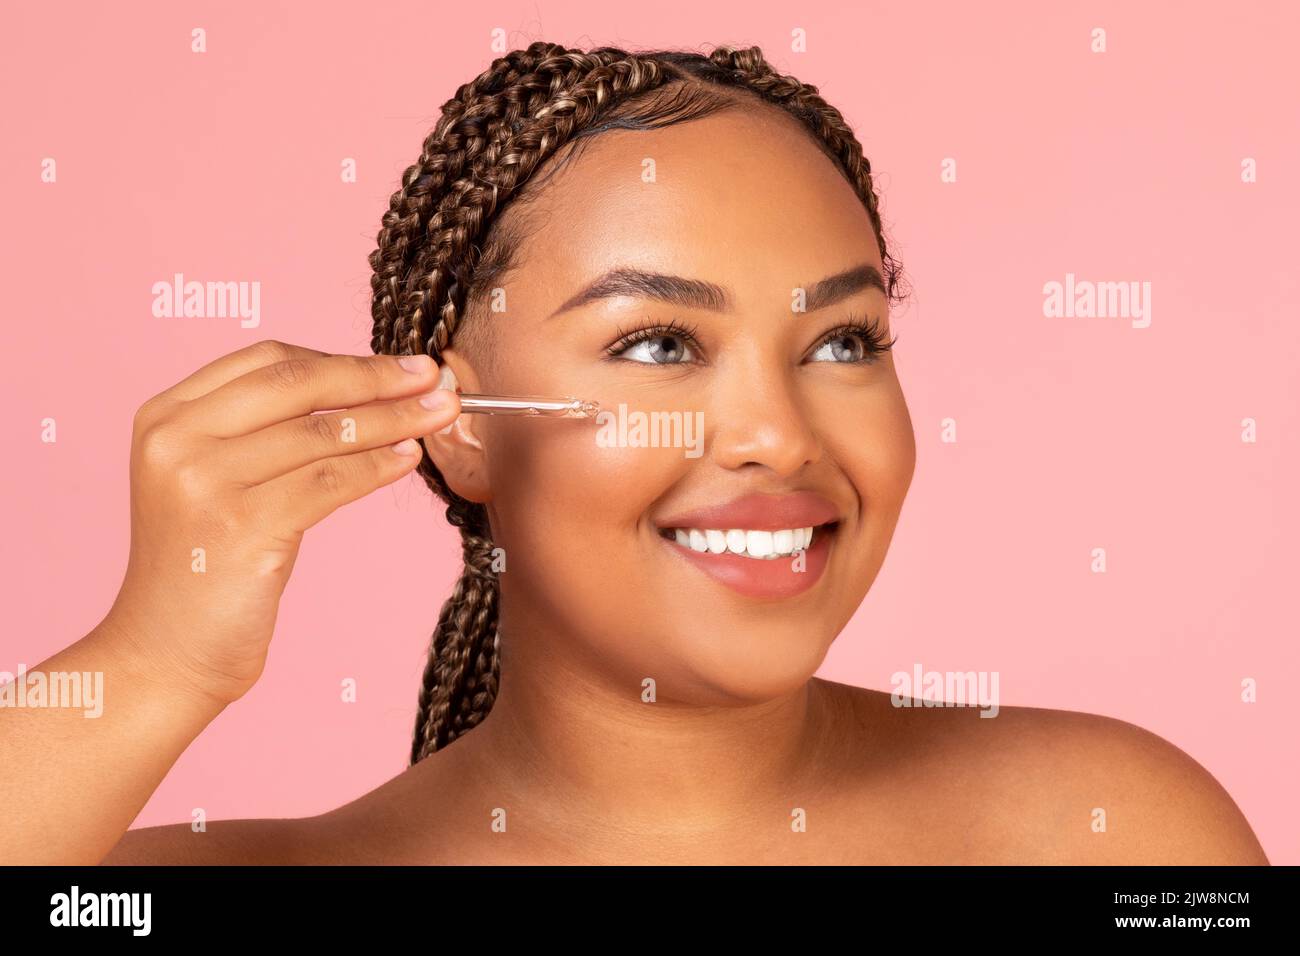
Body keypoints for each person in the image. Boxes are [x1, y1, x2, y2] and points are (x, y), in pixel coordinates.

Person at [2, 42, 1268, 865]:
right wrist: (149, 662)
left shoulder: (1112, 832)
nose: (777, 432)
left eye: (842, 340)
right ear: (456, 423)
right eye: (659, 344)